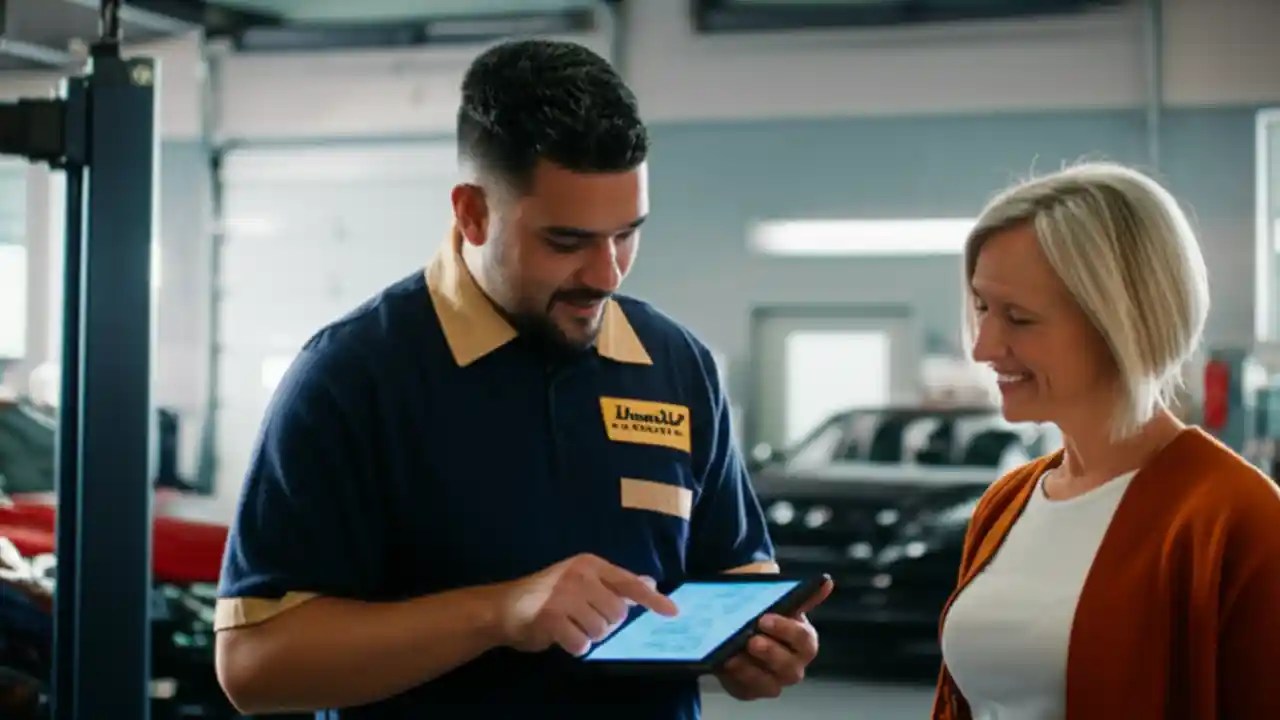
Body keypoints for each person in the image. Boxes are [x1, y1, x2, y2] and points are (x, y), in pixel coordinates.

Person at [213, 38, 833, 719]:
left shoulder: (675, 364)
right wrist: (499, 612)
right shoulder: (353, 377)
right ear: (472, 212)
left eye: (626, 233)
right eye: (566, 243)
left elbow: (735, 570)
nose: (608, 274)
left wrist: (763, 645)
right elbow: (254, 666)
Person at [933, 162, 1280, 720]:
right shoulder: (1008, 503)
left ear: (1123, 323)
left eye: (1019, 318)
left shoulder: (1234, 519)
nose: (984, 347)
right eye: (981, 309)